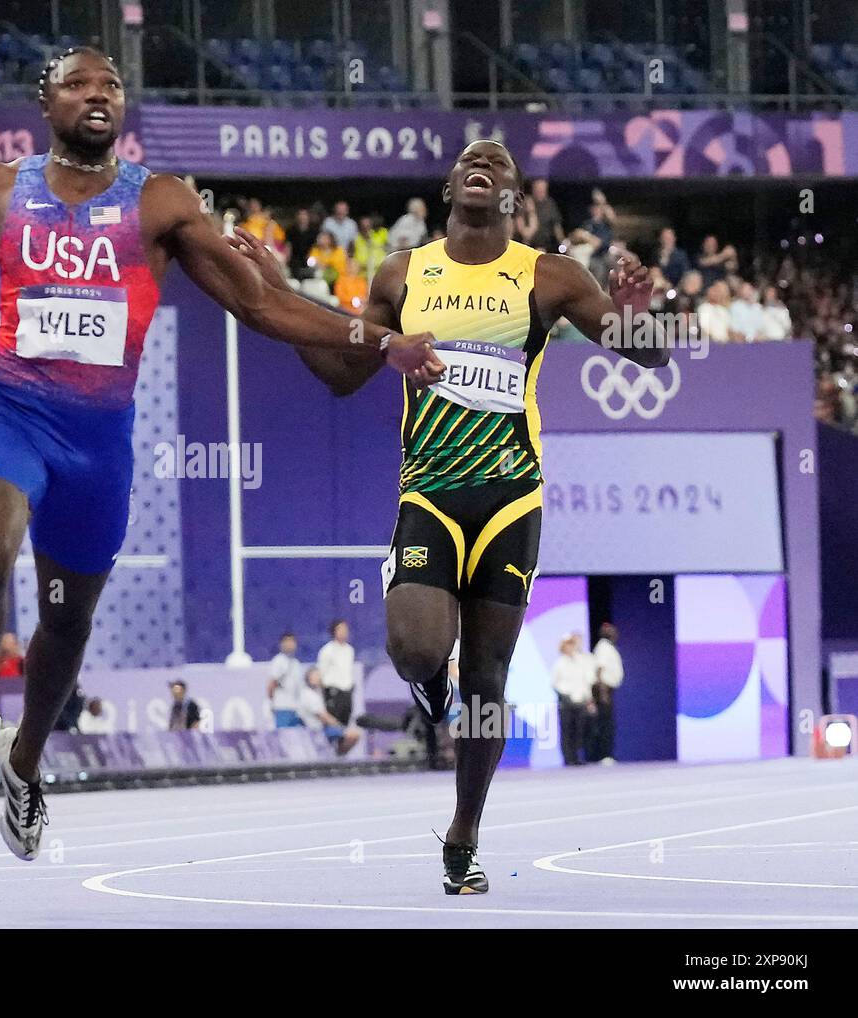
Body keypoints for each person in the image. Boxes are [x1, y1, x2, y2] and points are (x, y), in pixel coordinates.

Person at [0, 46, 440, 859]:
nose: (100, 95)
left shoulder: (161, 203)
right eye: (80, 84)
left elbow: (258, 303)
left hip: (99, 443)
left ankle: (24, 765)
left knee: (67, 620)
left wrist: (378, 338)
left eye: (113, 85)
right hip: (10, 410)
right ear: (46, 103)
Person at [231, 138, 666, 895]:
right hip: (429, 488)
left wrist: (640, 321)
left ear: (514, 197)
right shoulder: (403, 273)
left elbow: (652, 357)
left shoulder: (550, 276)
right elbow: (342, 371)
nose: (483, 164)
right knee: (414, 648)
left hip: (510, 496)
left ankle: (465, 831)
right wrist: (281, 307)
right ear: (445, 185)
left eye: (499, 163)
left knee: (489, 679)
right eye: (471, 157)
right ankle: (431, 684)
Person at [552, 633, 596, 766]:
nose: (570, 647)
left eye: (572, 644)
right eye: (567, 645)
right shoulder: (560, 663)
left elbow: (586, 681)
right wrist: (565, 695)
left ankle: (576, 756)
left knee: (579, 730)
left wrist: (588, 699)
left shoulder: (580, 661)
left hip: (580, 700)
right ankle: (568, 758)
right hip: (566, 701)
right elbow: (554, 683)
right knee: (566, 730)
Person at [298, 666, 361, 755]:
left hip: (323, 729)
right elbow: (323, 717)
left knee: (354, 734)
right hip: (316, 731)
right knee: (352, 735)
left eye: (318, 675)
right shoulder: (308, 694)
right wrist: (341, 727)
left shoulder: (320, 693)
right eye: (314, 676)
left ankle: (338, 758)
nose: (318, 678)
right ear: (308, 678)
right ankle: (338, 758)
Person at [590, 622, 623, 763]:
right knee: (605, 724)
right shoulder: (603, 647)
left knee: (607, 723)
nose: (616, 634)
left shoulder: (608, 647)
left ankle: (606, 755)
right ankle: (604, 755)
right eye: (612, 631)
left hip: (608, 690)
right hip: (604, 690)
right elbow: (600, 670)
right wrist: (603, 693)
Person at [316, 619, 356, 725]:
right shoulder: (327, 650)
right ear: (334, 631)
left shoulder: (349, 650)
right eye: (340, 629)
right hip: (333, 692)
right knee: (334, 725)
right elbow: (321, 674)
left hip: (346, 693)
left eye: (345, 629)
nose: (343, 632)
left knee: (345, 724)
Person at [267, 632, 305, 728]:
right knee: (283, 735)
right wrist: (272, 702)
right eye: (287, 642)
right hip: (282, 706)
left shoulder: (296, 663)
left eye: (292, 642)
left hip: (294, 707)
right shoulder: (278, 661)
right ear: (281, 644)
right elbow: (272, 683)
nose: (290, 644)